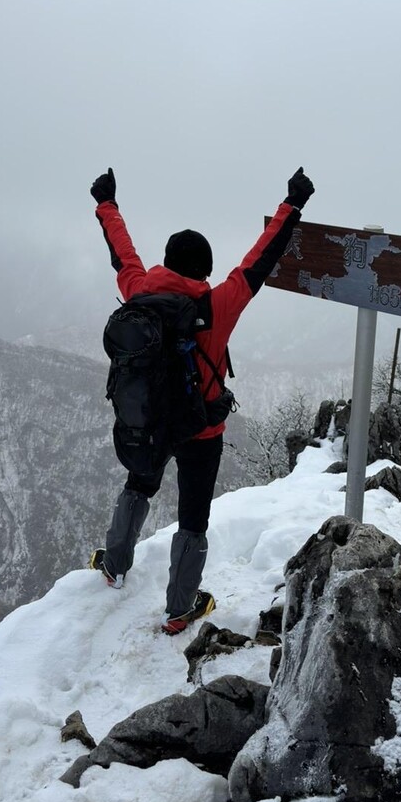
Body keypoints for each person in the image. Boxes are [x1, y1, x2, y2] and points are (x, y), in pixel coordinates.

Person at [89, 165, 315, 634]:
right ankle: (179, 609)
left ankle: (114, 564)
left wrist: (106, 203)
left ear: (168, 263)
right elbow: (260, 259)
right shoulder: (217, 304)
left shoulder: (139, 291)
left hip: (152, 419)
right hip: (202, 428)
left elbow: (122, 254)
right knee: (193, 516)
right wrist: (291, 205)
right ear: (205, 270)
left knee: (139, 484)